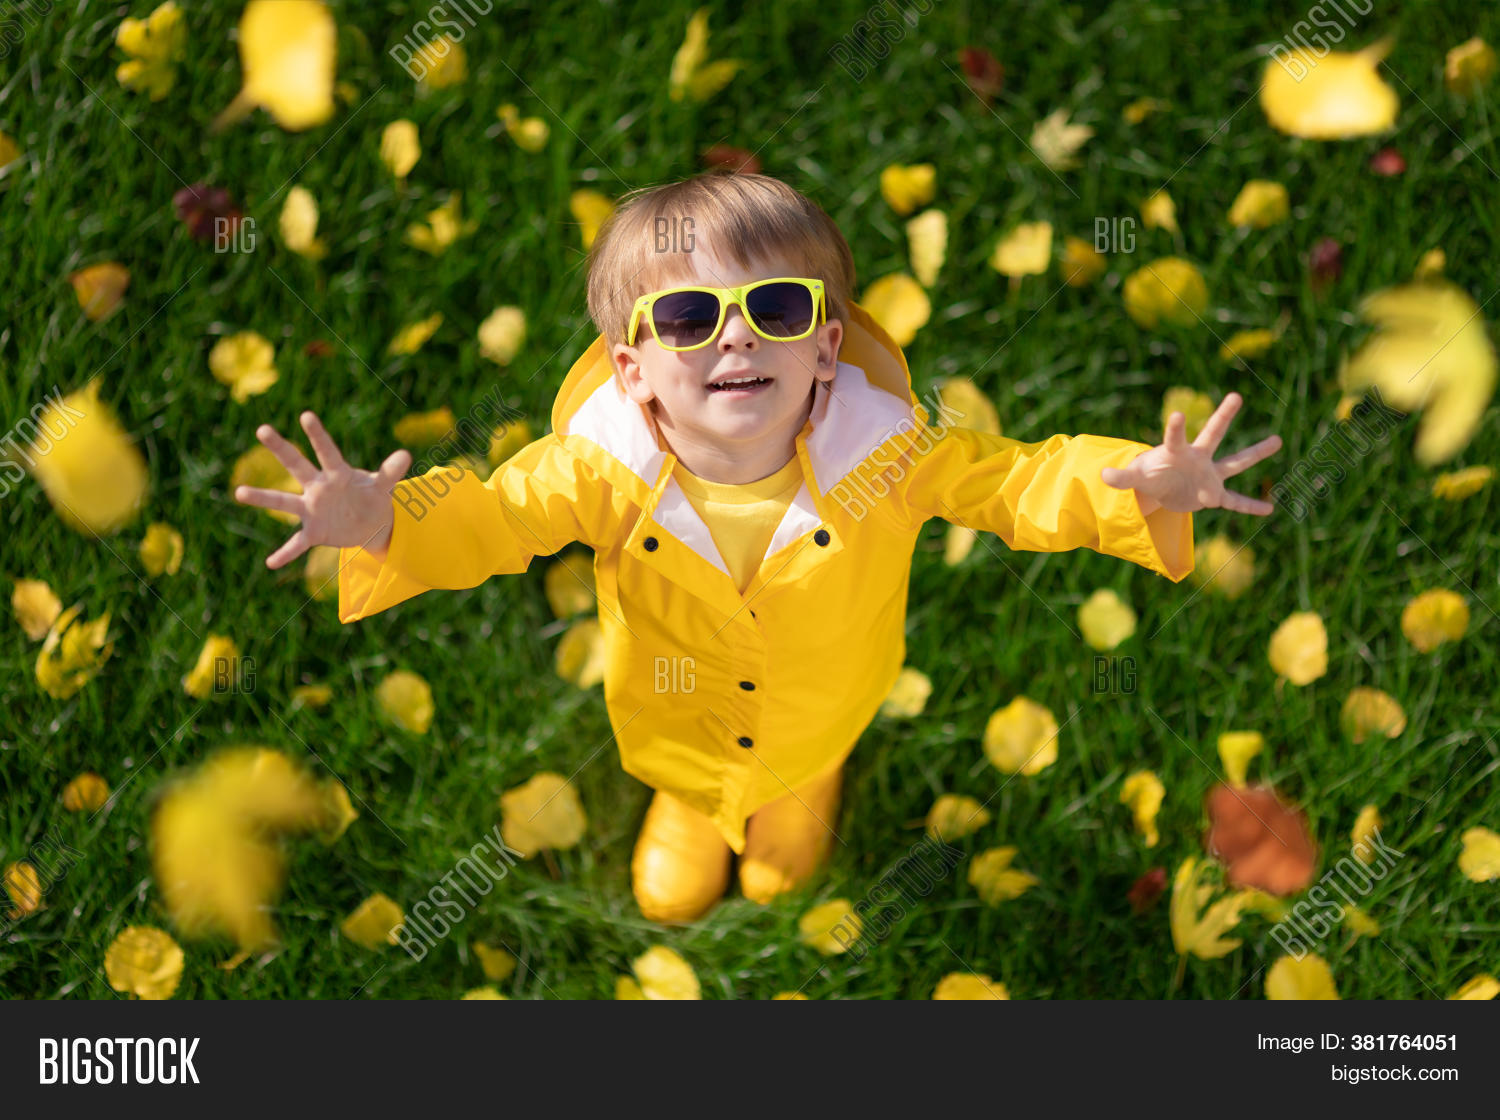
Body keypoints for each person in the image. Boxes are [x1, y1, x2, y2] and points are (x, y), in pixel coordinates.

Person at [233, 171, 1283, 923]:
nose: (734, 337)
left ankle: (800, 791)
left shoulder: (889, 456)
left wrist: (1132, 490)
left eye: (773, 309)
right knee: (688, 778)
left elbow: (1012, 482)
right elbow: (490, 520)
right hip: (673, 708)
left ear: (826, 345)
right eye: (688, 316)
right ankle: (695, 809)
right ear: (632, 367)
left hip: (824, 696)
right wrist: (382, 521)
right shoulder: (596, 472)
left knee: (806, 755)